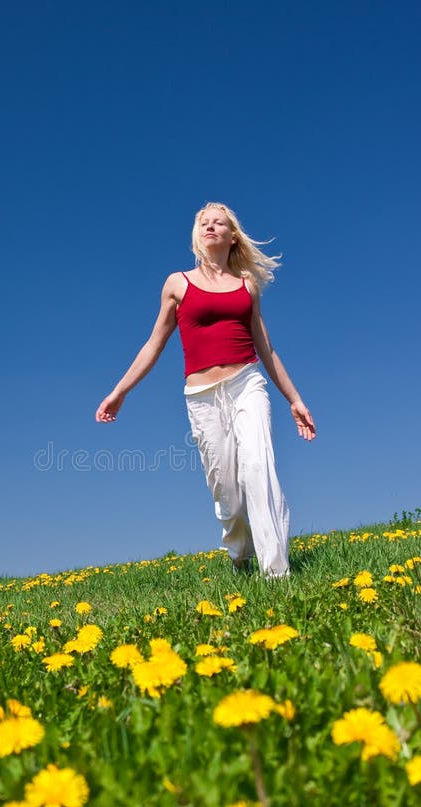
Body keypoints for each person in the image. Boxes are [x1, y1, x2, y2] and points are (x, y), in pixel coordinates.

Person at [95, 202, 316, 577]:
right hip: (202, 397)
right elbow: (154, 344)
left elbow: (266, 348)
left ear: (232, 237)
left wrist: (294, 399)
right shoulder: (177, 283)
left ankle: (277, 574)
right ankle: (240, 554)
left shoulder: (247, 286)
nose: (210, 226)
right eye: (203, 222)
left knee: (258, 468)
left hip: (247, 383)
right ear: (197, 234)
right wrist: (120, 391)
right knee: (227, 493)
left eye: (219, 223)